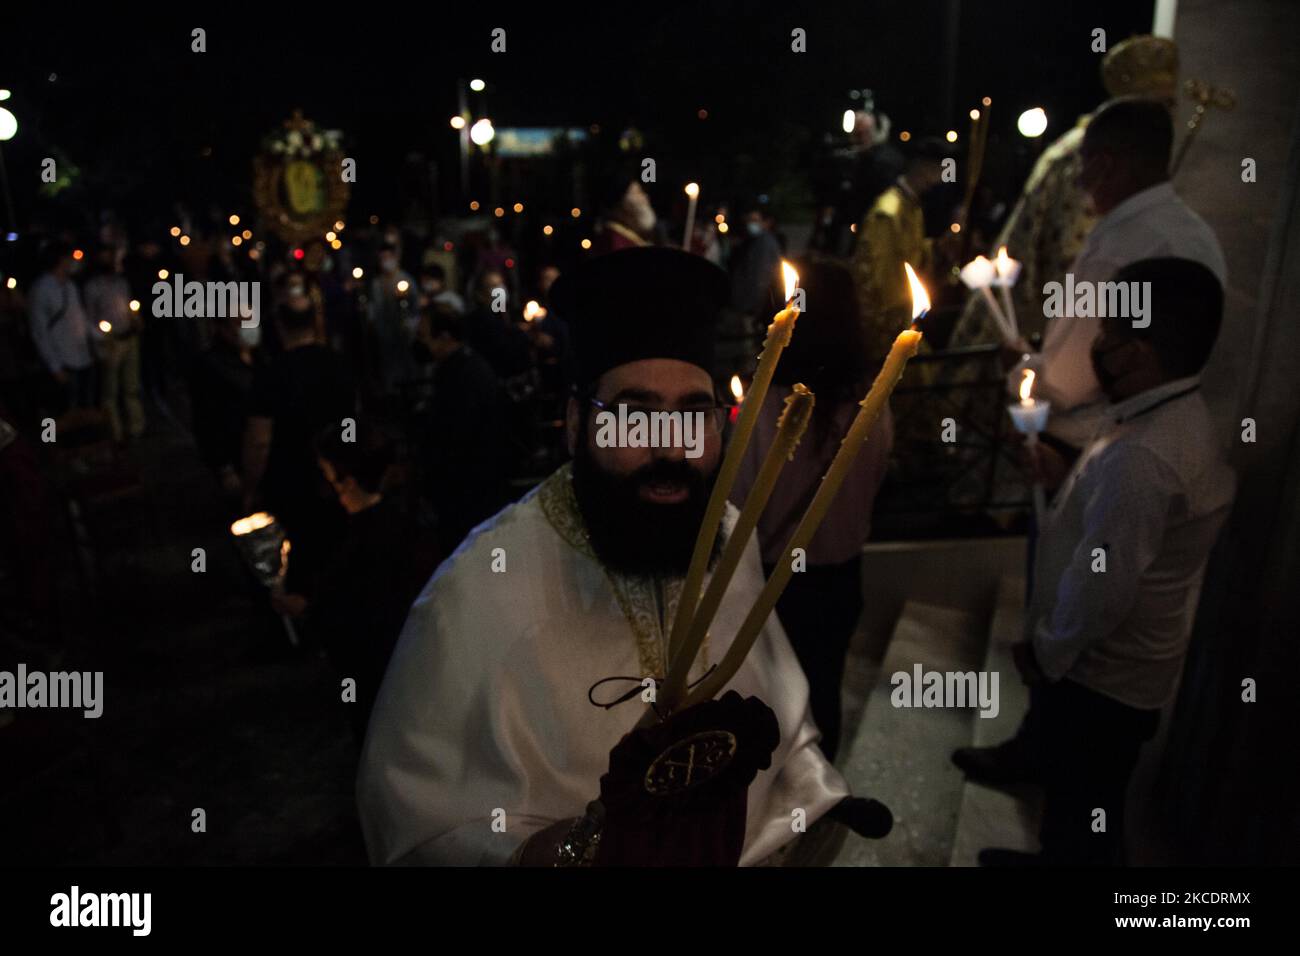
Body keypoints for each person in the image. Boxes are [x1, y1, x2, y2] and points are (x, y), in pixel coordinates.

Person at [358, 248, 851, 866]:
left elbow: (785, 728)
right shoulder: (477, 585)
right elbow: (416, 825)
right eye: (635, 416)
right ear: (574, 425)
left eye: (693, 415)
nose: (670, 449)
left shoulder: (730, 538)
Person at [957, 258, 1235, 866]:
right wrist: (1067, 483)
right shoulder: (1165, 415)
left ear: (1137, 353)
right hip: (1118, 676)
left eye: (1107, 335)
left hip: (1100, 678)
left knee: (1087, 811)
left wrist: (1047, 652)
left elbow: (1103, 589)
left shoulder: (1146, 458)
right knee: (1078, 796)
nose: (1097, 347)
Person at [731, 258, 893, 763]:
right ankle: (820, 800)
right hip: (842, 579)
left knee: (772, 704)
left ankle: (781, 808)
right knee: (824, 692)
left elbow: (735, 506)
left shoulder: (764, 409)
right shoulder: (874, 402)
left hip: (778, 585)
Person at [1022, 96, 1227, 453]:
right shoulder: (1194, 230)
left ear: (1104, 165)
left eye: (1083, 164)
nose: (1080, 179)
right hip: (1167, 433)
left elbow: (1066, 382)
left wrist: (1020, 369)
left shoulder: (1118, 248)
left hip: (1095, 441)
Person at [949, 35, 1181, 350]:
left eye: (1171, 104)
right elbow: (1069, 264)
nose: (1170, 117)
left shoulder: (1106, 151)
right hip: (1027, 321)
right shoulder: (1089, 155)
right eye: (1161, 105)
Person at [273, 421, 417, 737]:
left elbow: (359, 615)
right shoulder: (401, 523)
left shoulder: (365, 542)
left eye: (326, 472)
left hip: (378, 681)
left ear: (346, 480)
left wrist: (306, 609)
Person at [242, 295, 356, 595]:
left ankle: (304, 612)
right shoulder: (338, 363)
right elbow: (352, 422)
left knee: (302, 554)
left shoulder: (271, 375)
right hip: (336, 477)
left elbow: (259, 440)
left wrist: (251, 487)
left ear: (279, 327)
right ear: (315, 323)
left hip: (290, 480)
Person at [412, 305, 518, 561]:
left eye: (425, 335)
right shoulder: (462, 368)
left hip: (468, 493)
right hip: (472, 489)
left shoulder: (462, 376)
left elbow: (454, 438)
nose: (420, 342)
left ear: (445, 337)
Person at [850, 137, 954, 366]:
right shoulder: (889, 212)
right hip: (888, 325)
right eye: (940, 169)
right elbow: (880, 277)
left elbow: (911, 254)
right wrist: (891, 325)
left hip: (904, 314)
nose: (941, 178)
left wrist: (937, 248)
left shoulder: (912, 207)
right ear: (924, 168)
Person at [192, 313, 261, 500]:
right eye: (240, 323)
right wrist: (224, 467)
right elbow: (205, 420)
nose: (249, 328)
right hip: (235, 452)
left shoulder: (262, 356)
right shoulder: (210, 366)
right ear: (222, 328)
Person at [84, 243, 146, 442]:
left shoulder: (121, 283)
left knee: (131, 386)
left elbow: (128, 306)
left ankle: (136, 426)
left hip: (129, 338)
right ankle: (114, 432)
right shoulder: (93, 287)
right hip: (111, 342)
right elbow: (90, 318)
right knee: (110, 391)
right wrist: (100, 342)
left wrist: (135, 319)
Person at [28, 241, 94, 411]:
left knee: (82, 408)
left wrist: (100, 336)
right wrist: (54, 366)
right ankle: (50, 437)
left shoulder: (69, 285)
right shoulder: (42, 289)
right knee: (59, 411)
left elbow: (79, 317)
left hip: (81, 356)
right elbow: (40, 331)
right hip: (62, 359)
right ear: (61, 260)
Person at [590, 167, 656, 254]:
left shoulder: (628, 236)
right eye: (638, 192)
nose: (645, 198)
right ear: (621, 203)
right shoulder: (613, 241)